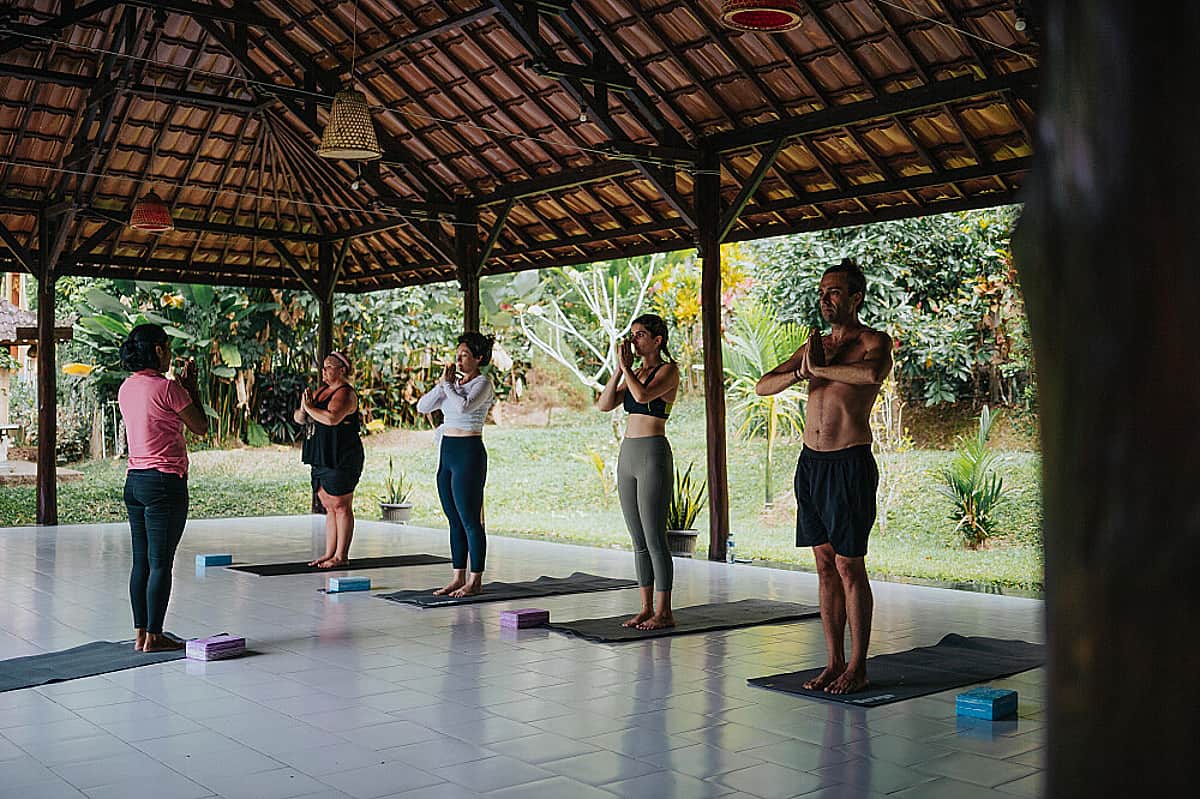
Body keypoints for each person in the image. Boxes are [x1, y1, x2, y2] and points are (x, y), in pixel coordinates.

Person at [756, 258, 892, 694]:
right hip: (811, 464)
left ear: (856, 297)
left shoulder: (873, 341)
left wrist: (819, 369)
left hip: (849, 463)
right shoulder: (815, 347)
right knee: (823, 565)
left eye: (834, 292)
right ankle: (833, 662)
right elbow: (763, 385)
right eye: (822, 292)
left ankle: (859, 666)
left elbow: (871, 374)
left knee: (849, 565)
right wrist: (803, 369)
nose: (825, 299)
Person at [117, 324, 208, 653]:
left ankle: (141, 633)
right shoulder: (169, 389)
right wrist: (192, 387)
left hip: (135, 482)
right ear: (157, 350)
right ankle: (155, 636)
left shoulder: (126, 388)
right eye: (167, 347)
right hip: (165, 483)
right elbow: (200, 426)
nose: (170, 353)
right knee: (160, 563)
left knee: (141, 562)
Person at [596, 313, 680, 630]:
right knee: (637, 539)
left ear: (657, 340)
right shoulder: (635, 372)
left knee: (655, 536)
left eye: (641, 335)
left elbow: (644, 396)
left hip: (653, 453)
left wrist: (628, 370)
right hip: (628, 455)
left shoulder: (668, 370)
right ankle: (645, 607)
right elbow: (604, 404)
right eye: (632, 335)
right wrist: (619, 368)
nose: (634, 341)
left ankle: (664, 611)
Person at [416, 333, 497, 597]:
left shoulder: (483, 383)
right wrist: (443, 386)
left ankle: (475, 580)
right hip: (447, 452)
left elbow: (463, 408)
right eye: (457, 354)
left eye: (464, 355)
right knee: (453, 519)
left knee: (470, 519)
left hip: (469, 452)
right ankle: (457, 576)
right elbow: (422, 406)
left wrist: (448, 386)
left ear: (478, 358)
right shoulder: (453, 385)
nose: (458, 359)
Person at [297, 351, 364, 568]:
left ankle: (341, 556)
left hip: (342, 456)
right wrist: (303, 407)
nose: (323, 371)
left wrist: (310, 408)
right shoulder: (321, 391)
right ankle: (329, 553)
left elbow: (332, 418)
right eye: (323, 367)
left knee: (341, 504)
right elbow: (300, 417)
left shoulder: (345, 394)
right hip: (321, 454)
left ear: (341, 370)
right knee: (329, 505)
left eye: (328, 367)